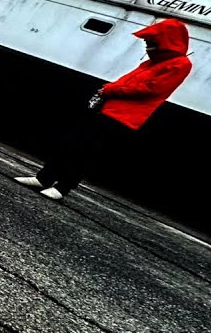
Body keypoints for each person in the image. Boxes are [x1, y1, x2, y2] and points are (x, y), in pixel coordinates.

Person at [14, 18, 193, 200]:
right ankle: (44, 178)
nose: (147, 47)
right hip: (107, 108)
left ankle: (62, 187)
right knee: (70, 143)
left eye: (150, 43)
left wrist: (110, 89)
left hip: (122, 117)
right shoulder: (153, 62)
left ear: (164, 42)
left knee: (85, 152)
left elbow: (150, 89)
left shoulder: (179, 65)